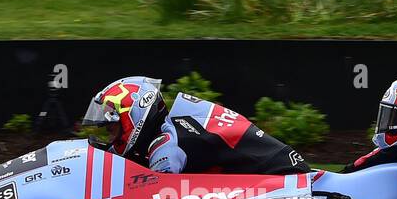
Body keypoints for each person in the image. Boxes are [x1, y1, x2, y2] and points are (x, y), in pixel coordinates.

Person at [81, 76, 310, 175]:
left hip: (281, 181)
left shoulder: (166, 147)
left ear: (135, 116)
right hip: (273, 175)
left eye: (113, 129)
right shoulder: (171, 130)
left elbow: (156, 198)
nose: (111, 137)